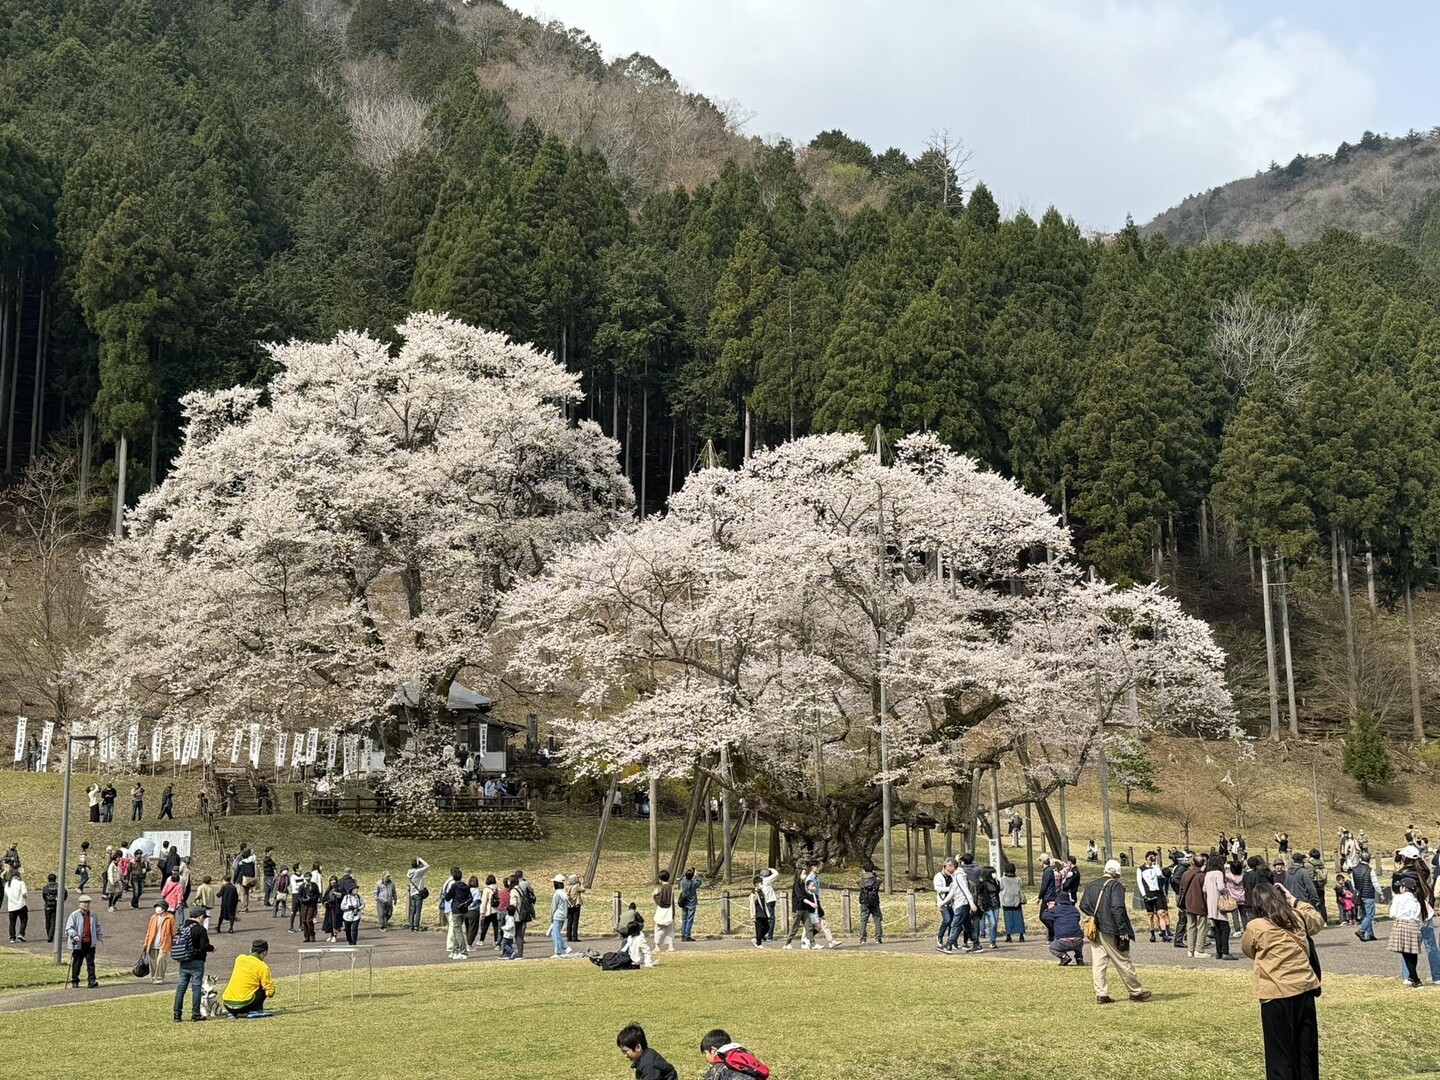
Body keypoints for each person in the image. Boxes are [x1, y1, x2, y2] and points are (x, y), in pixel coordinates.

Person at [1240, 880, 1323, 1079]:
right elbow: (1317, 920)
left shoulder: (1256, 926)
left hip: (1275, 994)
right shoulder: (1297, 918)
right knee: (1306, 1049)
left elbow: (1248, 949)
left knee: (1280, 1054)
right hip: (1304, 990)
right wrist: (1293, 900)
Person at [1079, 859, 1151, 1005]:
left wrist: (1095, 916)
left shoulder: (1092, 885)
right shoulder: (1115, 886)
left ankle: (1101, 993)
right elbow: (1117, 908)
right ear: (1117, 873)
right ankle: (1135, 991)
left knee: (1098, 962)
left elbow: (1083, 905)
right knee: (1122, 960)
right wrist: (1122, 929)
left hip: (1095, 928)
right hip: (1111, 928)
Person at [171, 907, 214, 1021]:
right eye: (203, 918)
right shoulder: (200, 930)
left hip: (183, 961)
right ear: (200, 917)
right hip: (197, 962)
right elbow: (204, 946)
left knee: (181, 988)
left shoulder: (182, 928)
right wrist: (212, 948)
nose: (204, 920)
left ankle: (177, 1014)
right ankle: (196, 1014)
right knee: (196, 988)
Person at [221, 939, 277, 1017]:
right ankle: (255, 1010)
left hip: (227, 1004)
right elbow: (269, 992)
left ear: (251, 950)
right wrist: (271, 991)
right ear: (265, 952)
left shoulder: (239, 959)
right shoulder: (263, 966)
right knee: (263, 987)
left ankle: (233, 1013)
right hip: (245, 1005)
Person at [1390, 873, 1426, 987]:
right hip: (1414, 925)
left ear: (1404, 887)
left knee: (1405, 953)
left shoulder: (1398, 898)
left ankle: (1415, 978)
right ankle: (1412, 976)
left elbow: (1392, 913)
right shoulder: (1416, 899)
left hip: (1401, 924)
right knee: (1412, 952)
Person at [1205, 854, 1239, 960]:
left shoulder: (1208, 874)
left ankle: (1218, 952)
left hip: (1210, 903)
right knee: (1225, 929)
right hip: (1219, 902)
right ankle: (1225, 951)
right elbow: (1220, 887)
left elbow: (1204, 889)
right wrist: (1226, 890)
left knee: (1218, 929)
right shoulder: (1218, 873)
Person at [65, 894, 103, 988]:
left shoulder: (93, 914)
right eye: (84, 903)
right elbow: (68, 928)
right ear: (80, 904)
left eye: (88, 903)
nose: (86, 905)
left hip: (90, 943)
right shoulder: (74, 915)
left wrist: (99, 935)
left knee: (91, 963)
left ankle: (91, 981)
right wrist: (74, 935)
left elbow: (97, 926)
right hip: (79, 943)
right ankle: (75, 980)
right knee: (77, 962)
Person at [699, 1030, 769, 1080]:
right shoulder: (745, 1057)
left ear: (713, 1050)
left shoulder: (717, 1069)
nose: (706, 1057)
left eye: (705, 1053)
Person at [1136, 851, 1172, 943]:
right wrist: (1144, 895)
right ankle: (1152, 934)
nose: (1152, 859)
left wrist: (1155, 865)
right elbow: (1140, 883)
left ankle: (1164, 934)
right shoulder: (1140, 869)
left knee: (1161, 913)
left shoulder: (1156, 867)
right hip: (1148, 893)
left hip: (1157, 892)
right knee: (1150, 915)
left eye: (1154, 858)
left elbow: (1159, 874)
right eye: (1151, 858)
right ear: (1147, 858)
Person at [1181, 853, 1211, 958]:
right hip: (1201, 903)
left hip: (1188, 903)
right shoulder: (1202, 876)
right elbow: (1205, 892)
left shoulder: (1185, 874)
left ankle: (1190, 949)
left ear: (1192, 863)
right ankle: (1199, 949)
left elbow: (1182, 889)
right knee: (1202, 927)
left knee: (1190, 926)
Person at [1042, 892, 1084, 966]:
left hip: (1063, 942)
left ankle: (1064, 956)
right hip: (1078, 942)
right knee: (1077, 939)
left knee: (1052, 947)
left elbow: (1044, 916)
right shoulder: (1074, 909)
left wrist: (1049, 909)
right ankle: (1079, 958)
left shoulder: (1055, 910)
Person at [143, 901, 176, 983]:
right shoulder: (153, 917)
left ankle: (160, 978)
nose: (157, 909)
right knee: (153, 961)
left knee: (160, 959)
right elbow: (149, 931)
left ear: (164, 909)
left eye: (159, 907)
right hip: (152, 942)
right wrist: (146, 942)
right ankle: (154, 977)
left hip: (164, 943)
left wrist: (174, 943)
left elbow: (174, 931)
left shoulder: (170, 917)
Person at [443, 868, 470, 959]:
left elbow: (447, 897)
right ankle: (455, 950)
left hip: (456, 910)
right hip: (464, 910)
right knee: (456, 929)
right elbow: (470, 898)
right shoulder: (466, 886)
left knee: (458, 931)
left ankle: (463, 952)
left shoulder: (454, 886)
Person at [999, 863, 1026, 943]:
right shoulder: (1017, 879)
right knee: (1019, 919)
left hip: (1007, 902)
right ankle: (1021, 935)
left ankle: (1009, 936)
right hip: (1016, 902)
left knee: (1008, 920)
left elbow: (1000, 888)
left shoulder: (1003, 880)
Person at [511, 870, 536, 958]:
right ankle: (522, 936)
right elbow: (531, 891)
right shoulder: (525, 883)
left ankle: (519, 941)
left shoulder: (514, 888)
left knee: (518, 925)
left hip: (518, 908)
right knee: (523, 922)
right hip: (525, 905)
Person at [976, 865, 1001, 948]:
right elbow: (979, 895)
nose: (994, 874)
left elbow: (998, 891)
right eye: (993, 873)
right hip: (987, 906)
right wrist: (980, 905)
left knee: (995, 923)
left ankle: (993, 940)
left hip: (996, 905)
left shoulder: (996, 882)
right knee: (992, 923)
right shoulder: (982, 883)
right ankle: (991, 940)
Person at [933, 858, 957, 947]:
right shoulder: (938, 876)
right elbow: (938, 888)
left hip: (952, 902)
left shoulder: (952, 876)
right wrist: (950, 889)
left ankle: (951, 941)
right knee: (947, 920)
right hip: (943, 902)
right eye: (947, 868)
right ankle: (940, 936)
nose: (949, 871)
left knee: (953, 922)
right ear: (944, 867)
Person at [857, 867, 883, 944]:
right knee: (877, 919)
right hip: (874, 901)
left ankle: (863, 938)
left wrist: (863, 874)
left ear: (864, 870)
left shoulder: (861, 880)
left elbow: (857, 882)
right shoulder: (876, 880)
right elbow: (881, 880)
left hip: (864, 902)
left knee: (863, 920)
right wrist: (875, 874)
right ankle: (878, 938)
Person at [653, 870, 676, 953]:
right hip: (670, 911)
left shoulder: (664, 887)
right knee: (669, 930)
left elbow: (662, 902)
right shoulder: (670, 887)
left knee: (658, 929)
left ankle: (657, 946)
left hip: (662, 912)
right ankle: (670, 946)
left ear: (660, 879)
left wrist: (655, 896)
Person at [1306, 849, 1329, 926]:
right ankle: (1324, 920)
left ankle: (1314, 921)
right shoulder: (1321, 863)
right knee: (1322, 904)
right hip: (1321, 886)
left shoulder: (1308, 864)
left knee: (1313, 904)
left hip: (1313, 886)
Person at [677, 867, 700, 942]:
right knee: (689, 920)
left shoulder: (683, 882)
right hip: (691, 903)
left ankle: (683, 935)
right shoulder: (694, 884)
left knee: (684, 920)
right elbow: (699, 882)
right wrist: (696, 876)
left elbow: (681, 878)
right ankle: (687, 935)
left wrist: (685, 872)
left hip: (684, 903)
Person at [4, 869, 27, 942]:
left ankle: (12, 937)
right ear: (17, 876)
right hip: (21, 905)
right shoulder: (21, 883)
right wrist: (25, 897)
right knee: (23, 920)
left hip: (11, 906)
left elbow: (6, 895)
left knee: (12, 923)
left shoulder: (7, 884)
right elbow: (24, 893)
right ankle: (21, 933)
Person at [406, 856, 429, 931]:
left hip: (412, 893)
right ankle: (416, 926)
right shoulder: (418, 872)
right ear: (417, 865)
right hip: (418, 893)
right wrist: (421, 860)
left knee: (413, 910)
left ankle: (411, 926)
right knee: (418, 910)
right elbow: (427, 866)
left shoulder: (409, 872)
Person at [758, 866, 779, 941]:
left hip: (763, 902)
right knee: (771, 919)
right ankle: (770, 936)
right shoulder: (767, 880)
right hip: (770, 901)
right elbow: (776, 873)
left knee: (764, 919)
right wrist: (771, 869)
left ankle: (763, 935)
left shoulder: (759, 882)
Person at [750, 874, 771, 948]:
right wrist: (753, 916)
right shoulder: (753, 894)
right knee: (758, 929)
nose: (762, 885)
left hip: (763, 914)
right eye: (761, 884)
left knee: (767, 927)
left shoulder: (762, 892)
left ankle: (757, 939)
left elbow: (764, 904)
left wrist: (767, 913)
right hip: (758, 914)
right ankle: (759, 943)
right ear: (756, 885)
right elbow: (752, 905)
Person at [479, 875, 501, 945]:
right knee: (496, 927)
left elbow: (484, 902)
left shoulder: (486, 890)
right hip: (496, 910)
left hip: (489, 911)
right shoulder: (497, 888)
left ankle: (481, 940)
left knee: (485, 926)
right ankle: (496, 941)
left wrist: (482, 912)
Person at [321, 875, 342, 942]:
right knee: (330, 922)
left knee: (335, 922)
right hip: (329, 908)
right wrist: (324, 902)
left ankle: (335, 935)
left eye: (334, 883)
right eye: (331, 883)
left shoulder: (339, 888)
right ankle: (331, 935)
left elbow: (342, 896)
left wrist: (338, 895)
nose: (332, 884)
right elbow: (324, 897)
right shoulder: (328, 889)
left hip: (336, 907)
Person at [566, 873, 586, 943]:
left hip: (568, 906)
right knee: (575, 921)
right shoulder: (577, 886)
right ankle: (574, 937)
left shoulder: (567, 887)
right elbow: (583, 889)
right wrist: (581, 883)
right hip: (576, 905)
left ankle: (568, 936)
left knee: (569, 921)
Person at [41, 873, 59, 943]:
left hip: (47, 906)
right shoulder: (59, 886)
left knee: (47, 921)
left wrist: (46, 901)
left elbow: (43, 896)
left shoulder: (45, 887)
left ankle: (49, 934)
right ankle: (51, 936)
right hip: (56, 905)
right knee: (53, 921)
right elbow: (65, 893)